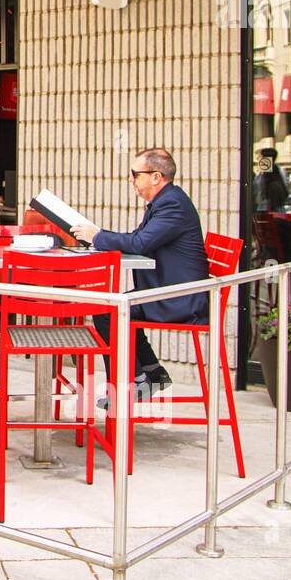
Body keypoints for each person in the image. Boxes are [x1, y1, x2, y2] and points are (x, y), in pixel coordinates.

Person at [71, 148, 209, 403]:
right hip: (171, 291)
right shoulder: (166, 201)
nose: (131, 180)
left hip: (180, 299)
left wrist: (98, 236)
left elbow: (141, 242)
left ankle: (131, 384)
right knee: (113, 306)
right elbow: (138, 240)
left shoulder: (171, 204)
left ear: (156, 176)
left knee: (108, 310)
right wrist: (98, 235)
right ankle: (151, 373)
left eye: (135, 174)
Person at [254, 146, 290, 212]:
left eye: (260, 157)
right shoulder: (261, 173)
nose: (257, 159)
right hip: (261, 208)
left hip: (270, 210)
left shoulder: (279, 172)